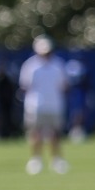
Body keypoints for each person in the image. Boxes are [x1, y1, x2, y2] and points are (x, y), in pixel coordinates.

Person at [20, 36, 70, 175]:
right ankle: (35, 160)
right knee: (36, 134)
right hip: (36, 105)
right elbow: (25, 86)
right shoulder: (30, 66)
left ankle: (56, 159)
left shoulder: (58, 65)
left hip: (54, 105)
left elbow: (63, 86)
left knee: (55, 134)